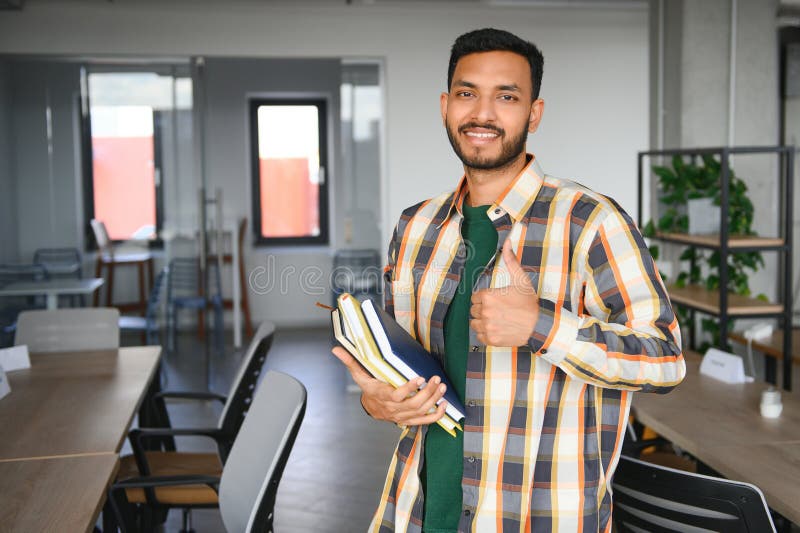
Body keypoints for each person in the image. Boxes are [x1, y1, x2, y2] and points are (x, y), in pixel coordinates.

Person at [332, 27, 685, 533]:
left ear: (533, 114)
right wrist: (378, 401)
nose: (482, 114)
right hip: (416, 511)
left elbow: (666, 359)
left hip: (536, 518)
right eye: (467, 93)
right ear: (445, 106)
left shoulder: (590, 222)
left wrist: (542, 326)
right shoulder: (415, 227)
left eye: (507, 97)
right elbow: (406, 366)